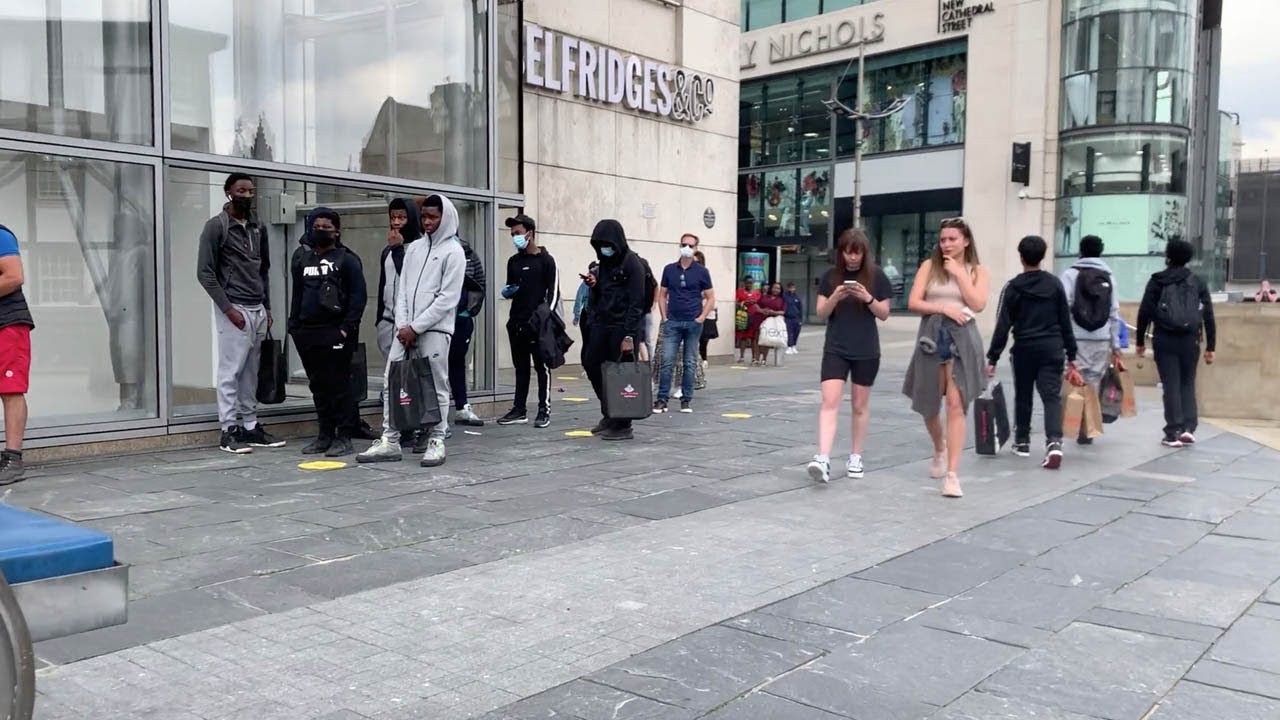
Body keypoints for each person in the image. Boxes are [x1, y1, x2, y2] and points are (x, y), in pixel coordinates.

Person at [357, 195, 465, 467]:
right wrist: (404, 327)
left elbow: (447, 298)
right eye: (425, 217)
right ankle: (390, 440)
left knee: (436, 384)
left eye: (434, 217)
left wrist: (416, 327)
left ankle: (436, 439)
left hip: (435, 330)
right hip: (403, 330)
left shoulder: (454, 252)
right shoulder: (414, 248)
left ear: (446, 218)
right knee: (392, 380)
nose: (428, 222)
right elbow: (402, 290)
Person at [196, 172, 284, 454]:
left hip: (257, 308)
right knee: (230, 371)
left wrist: (267, 306)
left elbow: (264, 270)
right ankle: (228, 430)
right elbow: (205, 273)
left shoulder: (259, 227)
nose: (247, 195)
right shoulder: (216, 227)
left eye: (250, 190)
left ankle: (250, 426)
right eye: (241, 190)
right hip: (234, 308)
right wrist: (228, 308)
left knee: (251, 372)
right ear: (228, 193)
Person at [902, 217, 990, 498]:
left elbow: (978, 303)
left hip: (963, 338)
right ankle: (939, 446)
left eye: (953, 239)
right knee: (929, 403)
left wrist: (961, 276)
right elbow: (914, 302)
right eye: (943, 240)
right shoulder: (929, 267)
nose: (947, 245)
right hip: (932, 333)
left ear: (965, 241)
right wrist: (943, 308)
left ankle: (952, 474)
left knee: (956, 403)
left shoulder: (978, 270)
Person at [806, 229, 892, 483]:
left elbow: (884, 313)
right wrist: (835, 296)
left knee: (859, 405)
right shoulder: (830, 277)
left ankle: (856, 456)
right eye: (847, 252)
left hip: (866, 348)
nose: (852, 258)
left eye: (857, 252)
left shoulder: (877, 276)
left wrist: (867, 297)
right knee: (829, 401)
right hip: (835, 347)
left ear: (864, 253)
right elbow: (821, 313)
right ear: (841, 252)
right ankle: (823, 457)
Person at [986, 235, 1079, 469]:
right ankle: (1054, 442)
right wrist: (1072, 354)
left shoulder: (1013, 287)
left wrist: (993, 357)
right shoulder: (1055, 284)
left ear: (1021, 257)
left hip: (1025, 348)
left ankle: (1023, 441)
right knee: (1051, 396)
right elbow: (1065, 321)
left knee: (1024, 393)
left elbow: (1003, 324)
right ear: (1043, 256)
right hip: (1052, 347)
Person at [288, 208, 367, 457]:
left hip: (335, 333)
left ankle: (344, 436)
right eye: (316, 227)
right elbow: (297, 294)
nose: (320, 230)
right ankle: (324, 435)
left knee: (339, 385)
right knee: (318, 386)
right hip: (307, 333)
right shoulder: (303, 259)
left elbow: (358, 298)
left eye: (326, 227)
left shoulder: (348, 260)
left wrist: (346, 329)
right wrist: (294, 326)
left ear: (337, 231)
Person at [1135, 238, 1216, 448]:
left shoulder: (1157, 281)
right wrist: (1211, 347)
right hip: (1191, 340)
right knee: (1188, 382)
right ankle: (1188, 428)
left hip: (1165, 339)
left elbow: (1144, 312)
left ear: (1168, 256)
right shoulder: (1197, 282)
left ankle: (1173, 431)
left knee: (1170, 384)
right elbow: (1208, 315)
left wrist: (1140, 341)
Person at [582, 219, 646, 441]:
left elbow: (636, 302)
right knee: (591, 363)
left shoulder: (632, 264)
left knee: (620, 374)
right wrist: (595, 285)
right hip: (603, 324)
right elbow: (607, 293)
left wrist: (629, 336)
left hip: (622, 328)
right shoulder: (604, 266)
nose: (603, 249)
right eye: (599, 245)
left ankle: (623, 423)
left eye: (606, 244)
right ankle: (609, 411)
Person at [1059, 234, 1123, 445]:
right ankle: (1088, 429)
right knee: (1093, 380)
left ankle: (1070, 422)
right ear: (1100, 251)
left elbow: (1061, 307)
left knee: (1073, 377)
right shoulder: (1108, 276)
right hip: (1100, 336)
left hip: (1075, 336)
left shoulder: (1069, 274)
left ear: (1081, 250)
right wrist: (1115, 345)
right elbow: (1114, 312)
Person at [497, 213, 560, 429]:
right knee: (520, 367)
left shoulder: (546, 260)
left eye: (517, 233)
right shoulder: (513, 261)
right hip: (516, 322)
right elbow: (511, 287)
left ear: (529, 233)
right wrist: (507, 292)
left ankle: (544, 409)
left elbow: (553, 294)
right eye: (512, 234)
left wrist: (544, 318)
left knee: (541, 367)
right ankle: (519, 409)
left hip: (537, 324)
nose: (515, 237)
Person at [654, 233, 714, 414]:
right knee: (667, 361)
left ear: (696, 248)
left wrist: (702, 317)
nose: (686, 248)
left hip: (693, 321)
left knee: (689, 362)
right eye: (684, 244)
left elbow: (711, 297)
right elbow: (662, 294)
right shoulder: (670, 269)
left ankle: (686, 399)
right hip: (673, 321)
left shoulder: (701, 272)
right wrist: (664, 317)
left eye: (690, 245)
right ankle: (661, 399)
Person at [0, 223, 32, 485]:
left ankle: (13, 458)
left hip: (7, 323)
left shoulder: (1, 235)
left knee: (10, 389)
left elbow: (13, 276)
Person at [375, 198, 422, 361]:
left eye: (402, 218)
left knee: (411, 373)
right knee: (391, 372)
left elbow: (411, 279)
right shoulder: (387, 250)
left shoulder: (420, 248)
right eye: (393, 217)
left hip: (411, 325)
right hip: (388, 321)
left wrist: (397, 249)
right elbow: (383, 285)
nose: (396, 222)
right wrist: (379, 320)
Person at [450, 222, 487, 429]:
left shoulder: (468, 253)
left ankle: (462, 407)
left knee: (457, 363)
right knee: (434, 366)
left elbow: (480, 282)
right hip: (436, 319)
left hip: (461, 317)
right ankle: (433, 415)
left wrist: (470, 309)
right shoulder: (427, 251)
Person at [753, 282, 786, 366]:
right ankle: (756, 358)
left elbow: (783, 311)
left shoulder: (781, 300)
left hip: (771, 321)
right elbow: (756, 305)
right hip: (759, 319)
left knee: (766, 339)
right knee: (757, 339)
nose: (776, 290)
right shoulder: (764, 297)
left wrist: (774, 312)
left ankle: (764, 359)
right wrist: (761, 310)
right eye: (774, 288)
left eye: (778, 288)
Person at [694, 251, 717, 370]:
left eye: (698, 262)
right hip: (693, 310)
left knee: (704, 337)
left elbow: (709, 295)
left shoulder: (704, 274)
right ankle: (697, 358)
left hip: (706, 311)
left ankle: (704, 358)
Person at [735, 278, 761, 363]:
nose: (749, 285)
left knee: (753, 338)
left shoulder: (757, 292)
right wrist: (744, 302)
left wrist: (753, 302)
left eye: (750, 283)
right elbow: (736, 302)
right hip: (743, 316)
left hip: (754, 316)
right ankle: (742, 356)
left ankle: (754, 357)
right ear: (744, 283)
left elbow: (759, 303)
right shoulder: (739, 291)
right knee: (743, 337)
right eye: (747, 283)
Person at [783, 282, 805, 355]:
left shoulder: (797, 297)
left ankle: (794, 345)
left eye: (793, 288)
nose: (792, 289)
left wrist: (801, 319)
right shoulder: (785, 296)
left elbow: (800, 308)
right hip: (788, 317)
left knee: (796, 332)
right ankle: (789, 346)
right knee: (789, 332)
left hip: (796, 317)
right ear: (788, 288)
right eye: (791, 287)